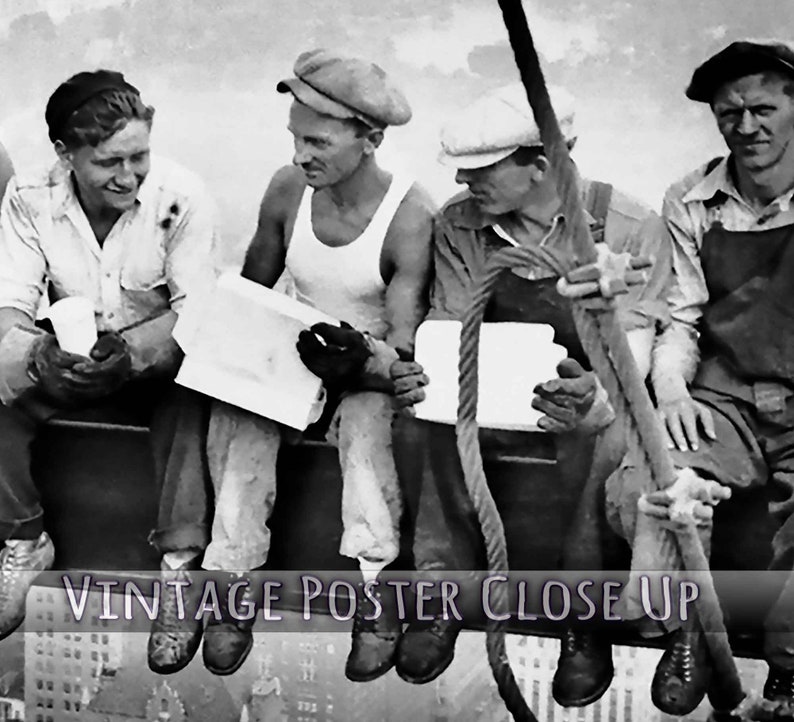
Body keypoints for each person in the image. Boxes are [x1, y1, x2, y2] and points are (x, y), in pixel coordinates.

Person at [384, 84, 669, 706]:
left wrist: (592, 393)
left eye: (481, 169)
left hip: (590, 387)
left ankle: (581, 619)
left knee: (601, 441)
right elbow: (451, 325)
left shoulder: (627, 224)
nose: (463, 179)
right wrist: (429, 374)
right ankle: (441, 596)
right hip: (492, 381)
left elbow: (635, 350)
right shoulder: (460, 224)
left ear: (541, 164)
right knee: (424, 420)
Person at [198, 49, 435, 679]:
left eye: (318, 142)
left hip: (363, 365)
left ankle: (376, 586)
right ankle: (233, 578)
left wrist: (369, 363)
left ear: (371, 140)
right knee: (240, 417)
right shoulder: (286, 188)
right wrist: (236, 359)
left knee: (365, 432)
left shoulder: (409, 217)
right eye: (295, 138)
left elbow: (405, 340)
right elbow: (252, 292)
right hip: (298, 348)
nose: (302, 155)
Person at [0, 70, 217, 675]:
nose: (127, 176)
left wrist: (131, 354)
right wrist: (35, 354)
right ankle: (22, 539)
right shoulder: (29, 196)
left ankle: (179, 573)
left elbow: (194, 312)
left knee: (191, 399)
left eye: (138, 156)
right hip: (69, 353)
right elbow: (11, 299)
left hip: (154, 360)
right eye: (108, 162)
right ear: (66, 155)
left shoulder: (182, 196)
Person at [607, 38, 794, 718]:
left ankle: (790, 672)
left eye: (764, 108)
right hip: (726, 393)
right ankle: (683, 634)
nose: (747, 128)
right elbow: (679, 319)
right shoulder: (691, 197)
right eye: (729, 113)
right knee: (660, 480)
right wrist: (675, 392)